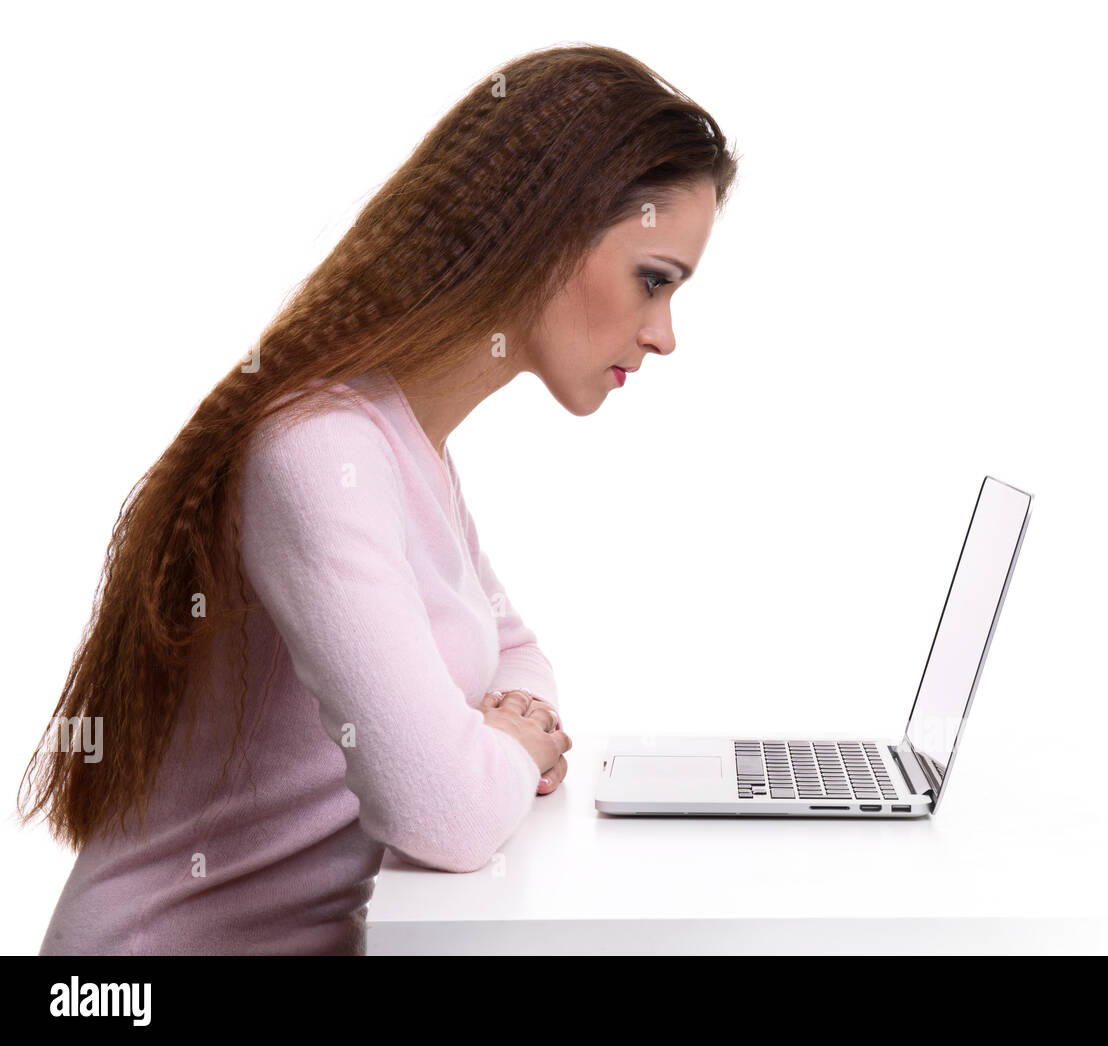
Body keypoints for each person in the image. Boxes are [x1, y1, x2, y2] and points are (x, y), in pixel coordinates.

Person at [18, 43, 739, 955]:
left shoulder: (408, 446)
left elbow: (517, 654)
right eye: (655, 278)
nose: (665, 334)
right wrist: (505, 749)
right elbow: (441, 812)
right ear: (549, 232)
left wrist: (487, 734)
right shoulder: (320, 449)